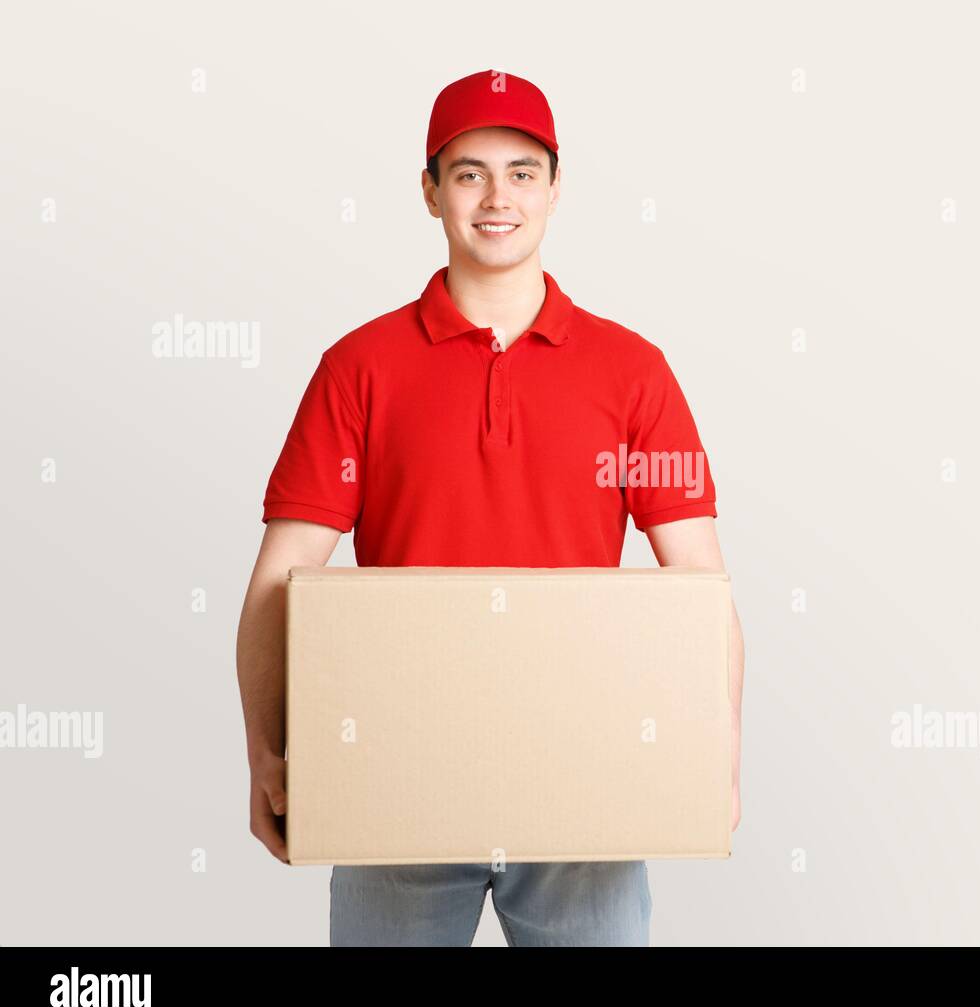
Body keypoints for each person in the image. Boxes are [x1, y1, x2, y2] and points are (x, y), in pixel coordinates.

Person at [234, 68, 744, 946]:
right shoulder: (359, 367)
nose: (496, 196)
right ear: (430, 191)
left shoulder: (634, 372)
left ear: (555, 189)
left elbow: (700, 587)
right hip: (397, 773)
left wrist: (715, 756)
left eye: (521, 171)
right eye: (468, 172)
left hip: (586, 779)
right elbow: (280, 580)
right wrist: (267, 754)